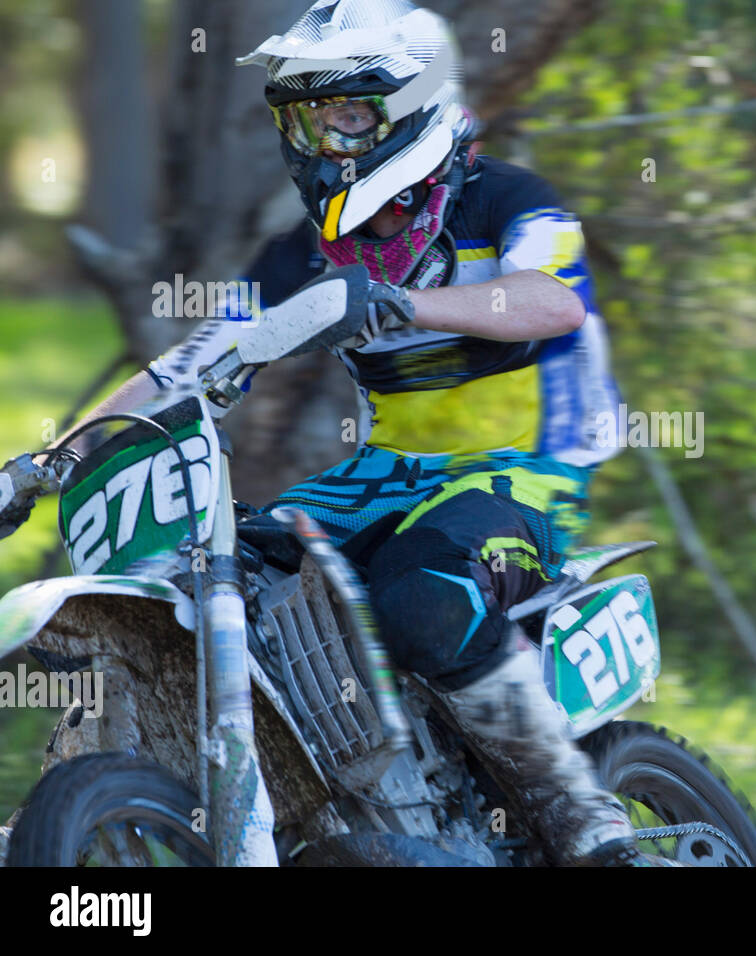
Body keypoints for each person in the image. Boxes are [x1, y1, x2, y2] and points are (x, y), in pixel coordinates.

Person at [5, 0, 649, 866]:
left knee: (424, 592)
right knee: (222, 574)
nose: (322, 143)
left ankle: (577, 810)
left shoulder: (506, 200)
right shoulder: (302, 252)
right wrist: (49, 464)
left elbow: (551, 299)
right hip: (380, 474)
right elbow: (182, 366)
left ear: (413, 105)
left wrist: (403, 301)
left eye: (346, 115)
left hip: (521, 469)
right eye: (304, 120)